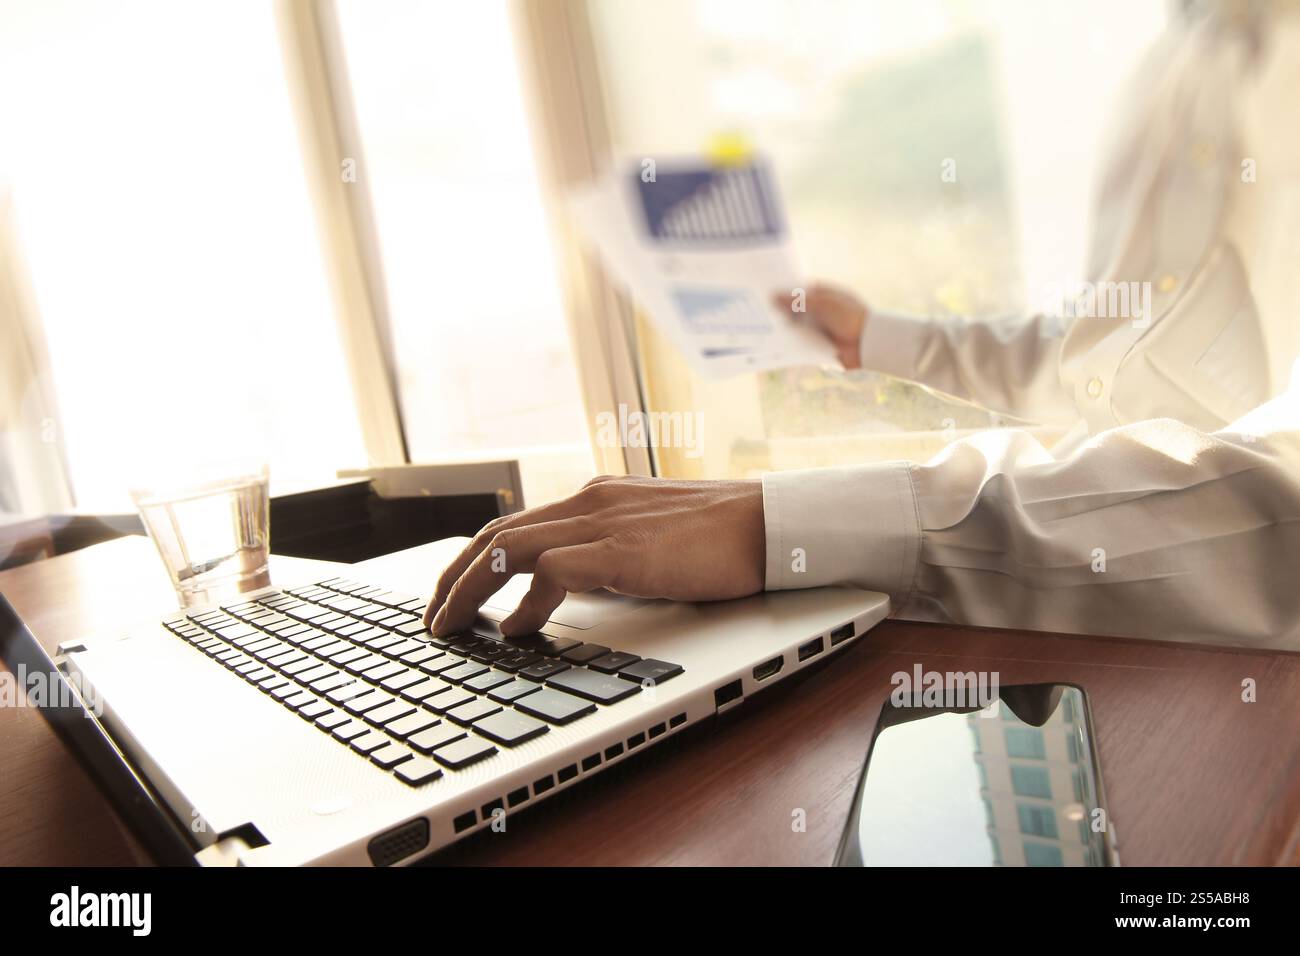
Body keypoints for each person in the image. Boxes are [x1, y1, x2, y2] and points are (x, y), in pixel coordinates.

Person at [426, 2, 1300, 650]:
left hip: (1216, 646)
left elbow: (1275, 499)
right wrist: (874, 336)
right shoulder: (1179, 62)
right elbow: (1102, 355)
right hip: (1096, 614)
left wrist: (779, 523)